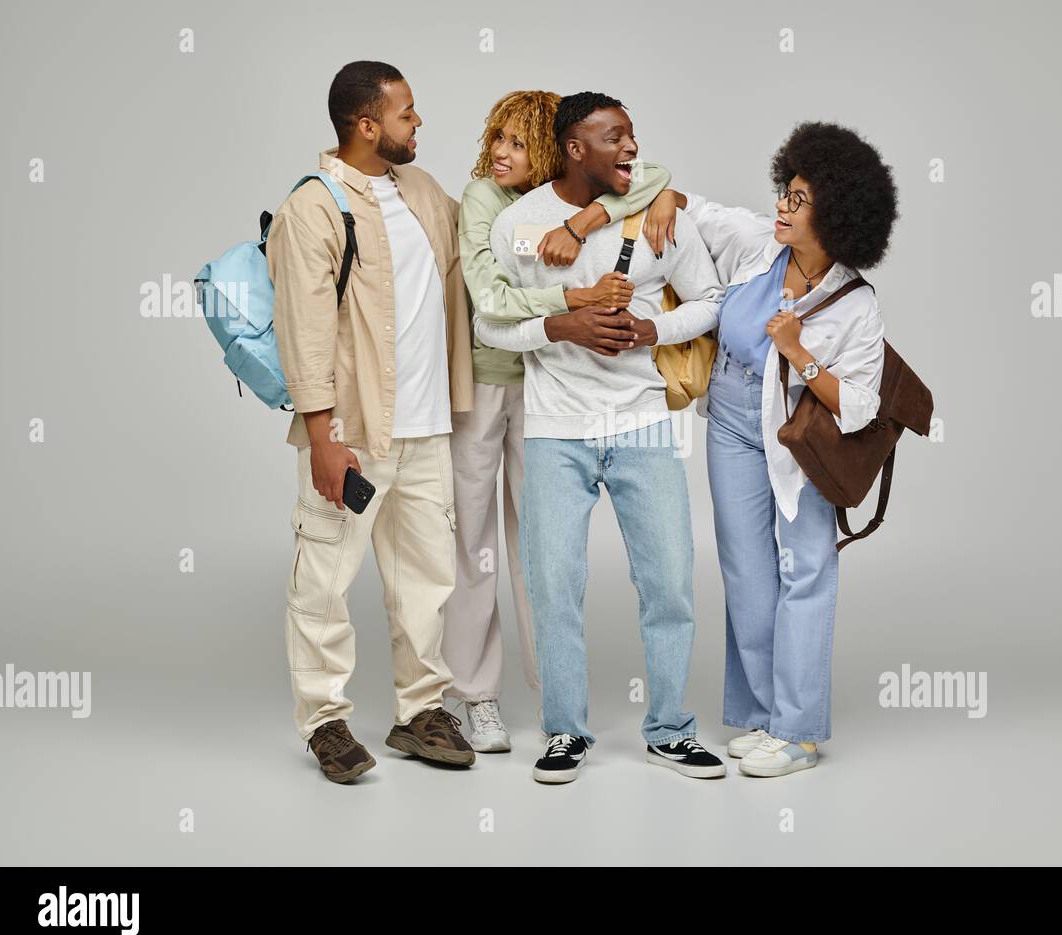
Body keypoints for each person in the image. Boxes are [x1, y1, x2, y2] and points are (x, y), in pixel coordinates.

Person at [473, 92, 725, 784]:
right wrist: (562, 325)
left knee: (670, 581)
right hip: (555, 430)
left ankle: (670, 729)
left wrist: (651, 331)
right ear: (573, 149)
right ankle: (565, 732)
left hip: (644, 423)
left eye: (632, 135)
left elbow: (709, 300)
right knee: (554, 588)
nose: (630, 148)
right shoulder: (521, 224)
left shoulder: (654, 215)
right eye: (613, 137)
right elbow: (489, 325)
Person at [651, 121, 898, 777]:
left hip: (796, 438)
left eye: (798, 199)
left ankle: (798, 732)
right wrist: (660, 203)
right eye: (783, 193)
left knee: (807, 570)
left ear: (836, 216)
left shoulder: (854, 304)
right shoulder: (758, 244)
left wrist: (800, 355)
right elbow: (683, 203)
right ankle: (764, 716)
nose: (781, 208)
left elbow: (864, 406)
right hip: (729, 418)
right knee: (745, 571)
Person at [446, 90, 674, 752]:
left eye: (516, 143)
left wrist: (629, 205)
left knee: (540, 555)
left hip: (549, 395)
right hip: (487, 385)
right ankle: (477, 695)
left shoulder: (564, 197)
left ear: (551, 150)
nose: (499, 153)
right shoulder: (487, 201)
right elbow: (490, 299)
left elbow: (652, 175)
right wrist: (570, 303)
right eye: (496, 138)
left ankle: (558, 702)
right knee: (474, 545)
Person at [267, 60, 476, 783]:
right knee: (324, 582)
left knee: (426, 580)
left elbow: (487, 233)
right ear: (367, 125)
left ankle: (420, 711)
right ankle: (325, 722)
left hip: (427, 430)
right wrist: (324, 440)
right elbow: (305, 333)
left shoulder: (423, 191)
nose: (418, 123)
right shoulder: (314, 208)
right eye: (406, 112)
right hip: (351, 435)